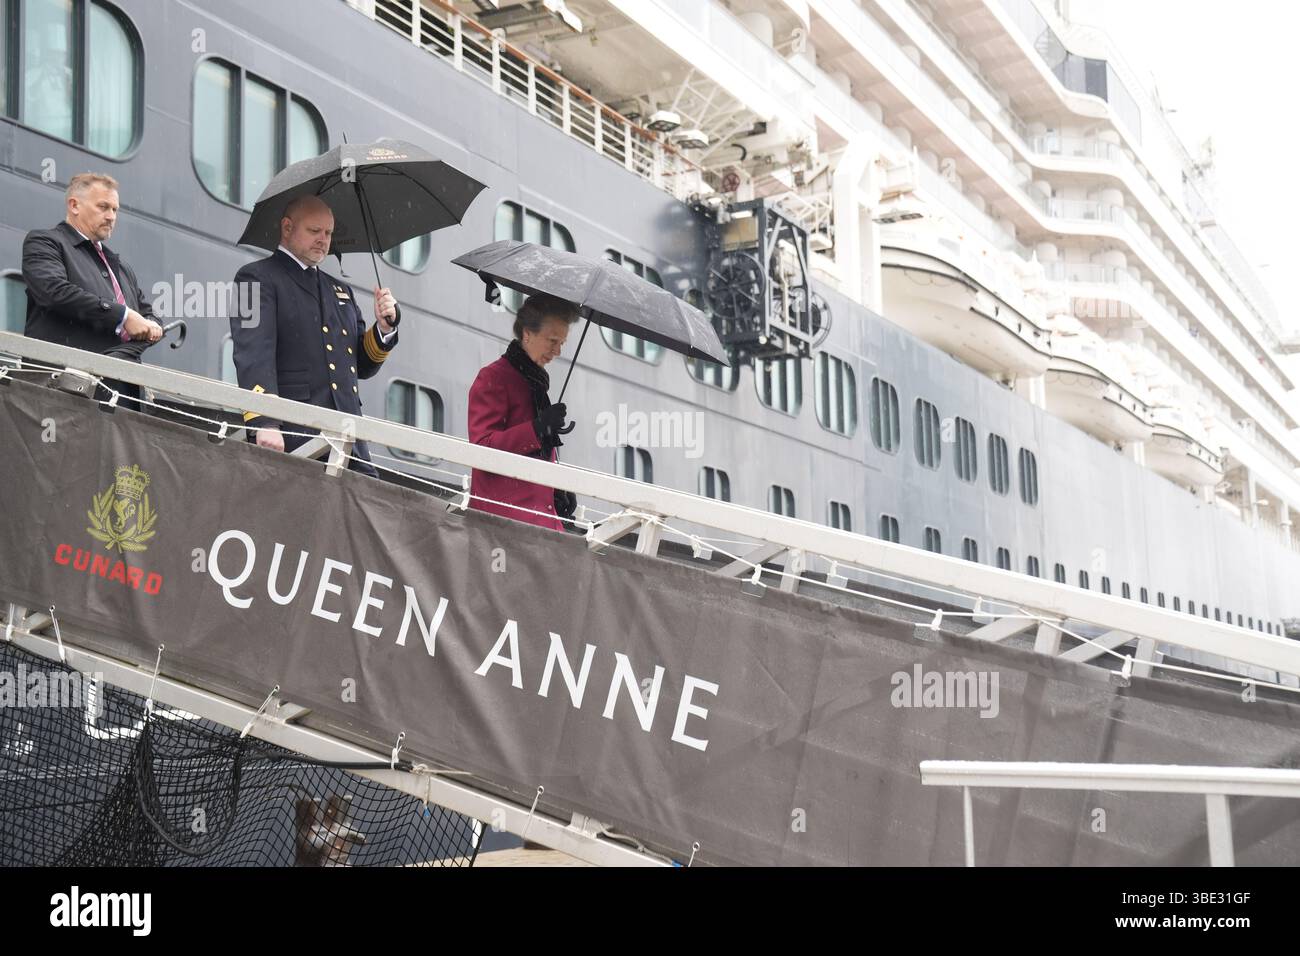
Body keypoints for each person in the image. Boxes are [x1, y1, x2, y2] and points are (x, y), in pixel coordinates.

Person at [230, 195, 399, 477]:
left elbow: (363, 365)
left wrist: (383, 329)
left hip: (350, 444)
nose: (323, 239)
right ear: (287, 227)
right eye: (314, 231)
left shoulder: (341, 292)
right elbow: (253, 354)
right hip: (294, 436)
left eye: (329, 233)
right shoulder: (254, 278)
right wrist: (265, 422)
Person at [21, 173, 165, 400]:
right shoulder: (45, 242)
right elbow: (53, 291)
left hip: (122, 396)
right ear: (74, 205)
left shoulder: (121, 268)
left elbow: (148, 314)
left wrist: (152, 325)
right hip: (64, 394)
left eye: (115, 210)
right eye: (103, 207)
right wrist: (124, 316)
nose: (111, 217)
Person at [468, 293, 579, 531]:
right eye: (552, 341)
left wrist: (557, 488)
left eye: (562, 343)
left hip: (538, 521)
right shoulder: (494, 377)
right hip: (505, 524)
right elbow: (481, 447)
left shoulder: (535, 383)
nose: (558, 351)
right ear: (527, 333)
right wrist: (538, 429)